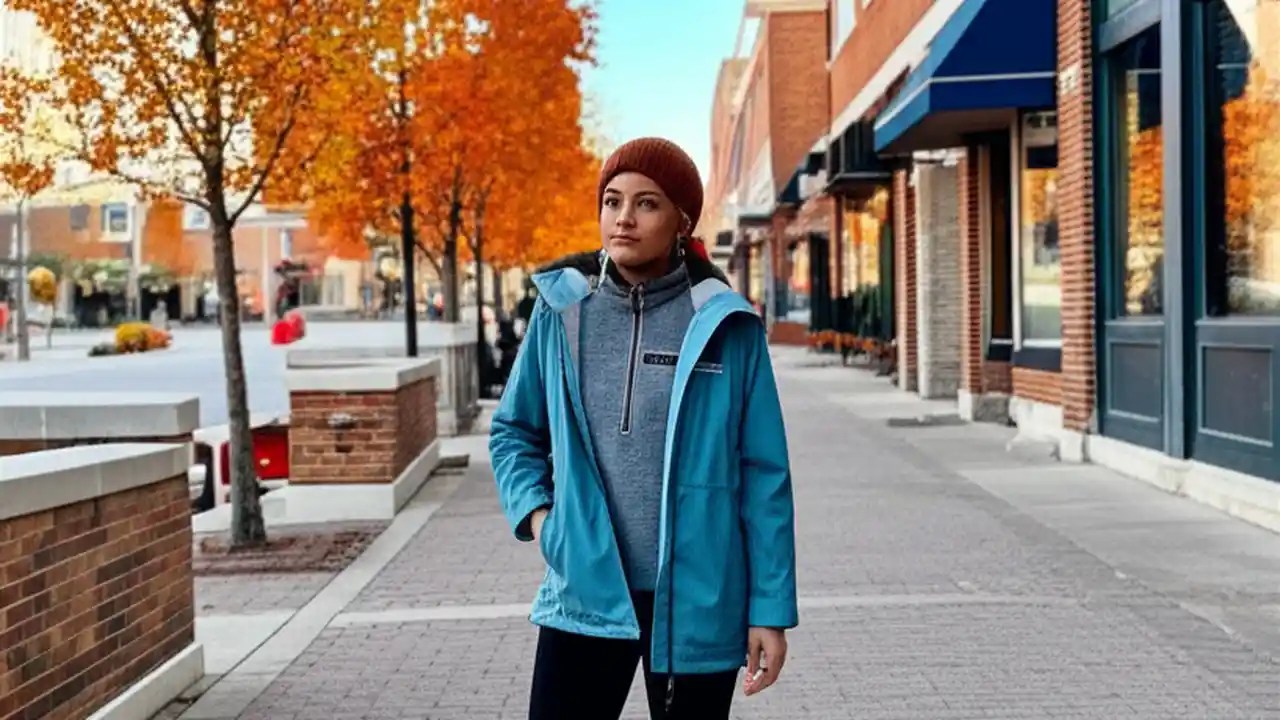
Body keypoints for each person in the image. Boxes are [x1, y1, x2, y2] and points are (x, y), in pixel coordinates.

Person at [490, 137, 798, 720]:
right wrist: (543, 521)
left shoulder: (727, 326)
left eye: (646, 203)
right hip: (584, 589)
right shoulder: (561, 315)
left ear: (682, 221)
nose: (624, 217)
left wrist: (769, 609)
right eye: (612, 201)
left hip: (696, 601)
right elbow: (514, 432)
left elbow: (764, 476)